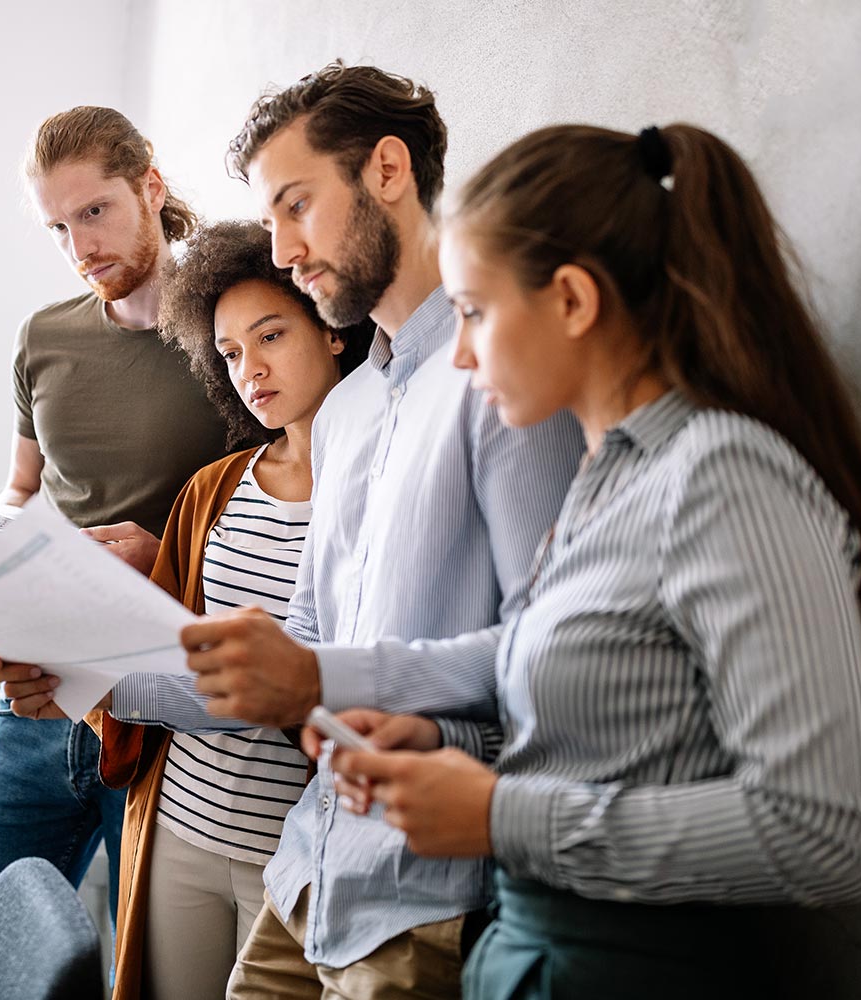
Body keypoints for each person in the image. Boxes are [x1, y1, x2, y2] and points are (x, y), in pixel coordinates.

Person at [306, 124, 861, 998]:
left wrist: (499, 813)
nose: (459, 354)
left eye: (474, 313)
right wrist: (438, 740)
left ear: (574, 300)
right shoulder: (601, 482)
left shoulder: (720, 477)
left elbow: (829, 834)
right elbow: (590, 729)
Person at [166, 63, 583, 998]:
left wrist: (403, 719)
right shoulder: (346, 412)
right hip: (307, 872)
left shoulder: (503, 384)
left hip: (424, 898)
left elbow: (555, 654)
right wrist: (95, 669)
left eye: (296, 206)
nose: (282, 250)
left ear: (388, 170)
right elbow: (310, 639)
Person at [0, 107, 232, 978]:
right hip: (40, 691)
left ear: (151, 187)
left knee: (143, 963)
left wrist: (163, 556)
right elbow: (25, 491)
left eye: (94, 212)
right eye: (58, 228)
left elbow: (271, 515)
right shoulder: (45, 336)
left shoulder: (229, 338)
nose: (80, 248)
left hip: (164, 707)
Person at [100, 219, 370, 999]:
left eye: (271, 336)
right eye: (229, 353)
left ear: (333, 329)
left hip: (292, 852)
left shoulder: (374, 496)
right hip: (178, 830)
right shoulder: (212, 490)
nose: (251, 368)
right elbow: (164, 656)